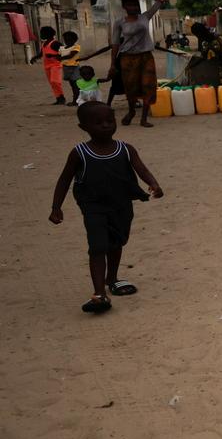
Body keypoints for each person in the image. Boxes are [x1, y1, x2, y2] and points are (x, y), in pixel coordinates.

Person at [48, 102, 164, 314]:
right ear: (83, 127)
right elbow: (64, 179)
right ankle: (99, 293)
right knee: (97, 246)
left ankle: (113, 278)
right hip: (93, 207)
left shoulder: (126, 149)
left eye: (110, 121)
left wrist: (154, 184)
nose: (105, 125)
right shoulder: (79, 153)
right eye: (98, 122)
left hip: (121, 206)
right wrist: (56, 207)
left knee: (117, 242)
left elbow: (141, 169)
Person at [110, 0, 167, 127]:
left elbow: (160, 1)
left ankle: (144, 118)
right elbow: (115, 43)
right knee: (131, 87)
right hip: (127, 59)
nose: (133, 7)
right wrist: (112, 64)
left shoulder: (145, 17)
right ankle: (131, 111)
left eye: (135, 5)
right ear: (124, 7)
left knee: (148, 85)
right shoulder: (119, 23)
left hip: (146, 57)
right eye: (130, 5)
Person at [29, 26, 67, 105]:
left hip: (56, 65)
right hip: (47, 66)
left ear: (49, 34)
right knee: (52, 83)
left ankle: (62, 98)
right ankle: (58, 98)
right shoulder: (44, 44)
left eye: (43, 33)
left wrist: (53, 56)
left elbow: (64, 53)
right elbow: (41, 54)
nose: (41, 35)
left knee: (55, 81)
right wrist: (34, 58)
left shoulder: (55, 43)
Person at [59, 31, 82, 105]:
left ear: (74, 40)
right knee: (72, 85)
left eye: (69, 40)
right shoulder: (62, 48)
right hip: (66, 67)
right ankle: (76, 100)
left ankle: (76, 101)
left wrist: (60, 57)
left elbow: (71, 55)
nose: (67, 41)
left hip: (74, 67)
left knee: (75, 85)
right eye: (66, 39)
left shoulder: (76, 47)